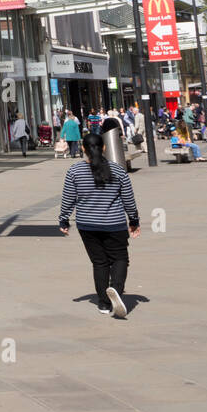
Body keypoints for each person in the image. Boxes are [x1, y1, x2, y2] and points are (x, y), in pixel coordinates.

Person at [59, 131, 140, 317]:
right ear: (104, 148)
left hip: (87, 225)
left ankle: (103, 303)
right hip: (114, 224)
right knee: (120, 259)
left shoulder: (74, 171)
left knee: (99, 262)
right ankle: (116, 292)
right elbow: (128, 198)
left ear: (82, 149)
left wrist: (63, 220)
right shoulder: (118, 170)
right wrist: (134, 220)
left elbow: (68, 199)